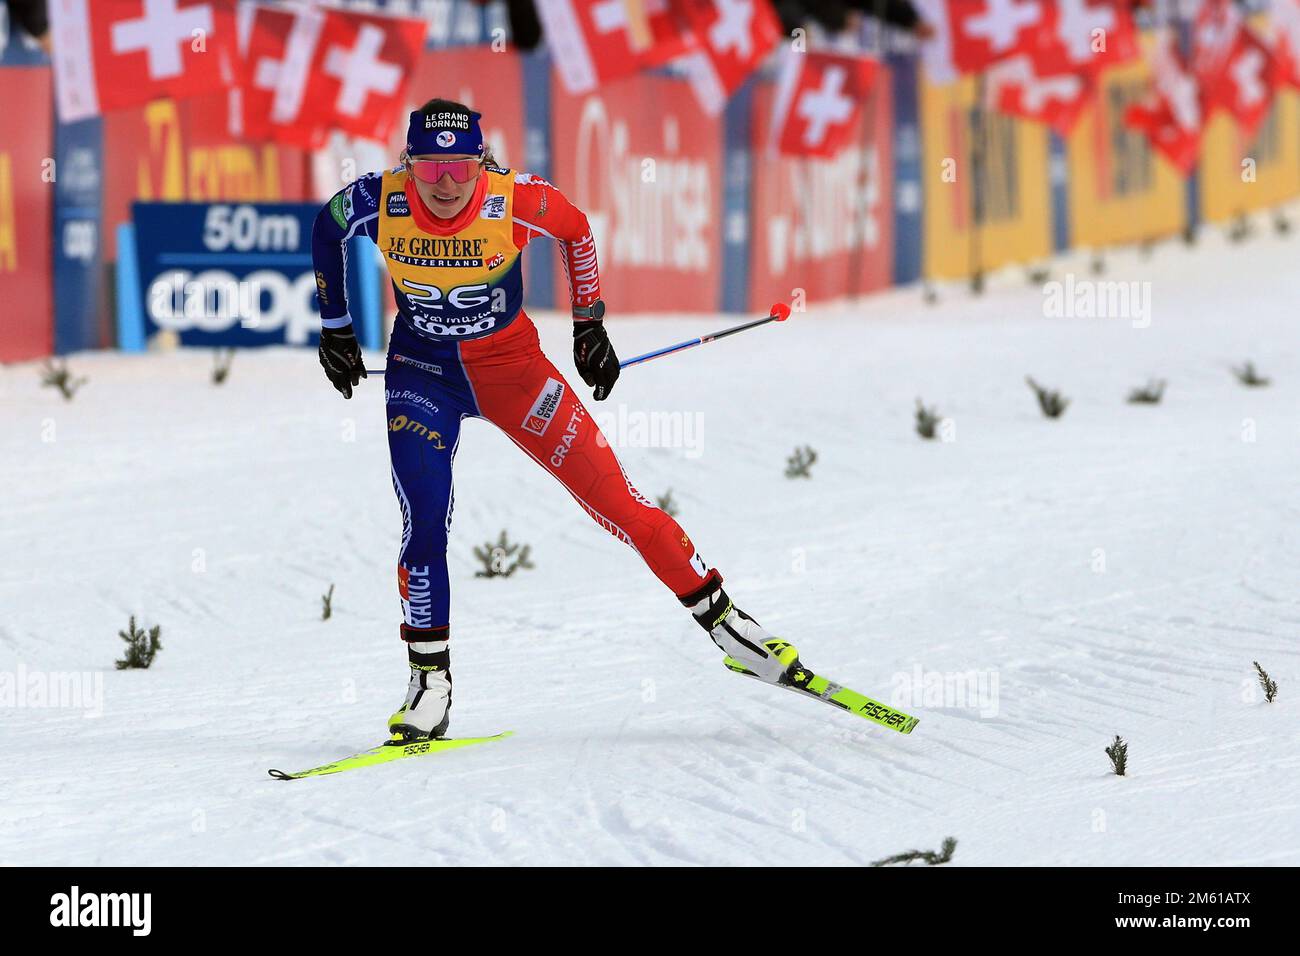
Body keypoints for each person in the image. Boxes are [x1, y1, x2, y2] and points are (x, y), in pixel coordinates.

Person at [311, 99, 803, 742]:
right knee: (425, 521)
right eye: (429, 170)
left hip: (516, 376)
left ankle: (725, 622)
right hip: (422, 377)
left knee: (617, 501)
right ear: (409, 165)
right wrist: (336, 327)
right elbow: (327, 228)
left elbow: (577, 231)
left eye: (461, 169)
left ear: (481, 165)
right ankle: (430, 681)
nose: (446, 186)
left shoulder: (515, 200)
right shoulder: (380, 200)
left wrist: (590, 325)